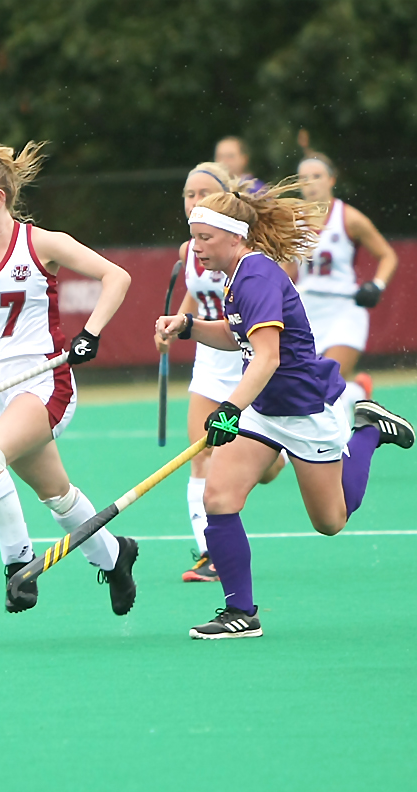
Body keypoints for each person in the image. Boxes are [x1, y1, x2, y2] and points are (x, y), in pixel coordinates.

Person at [156, 181, 414, 639]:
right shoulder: (236, 276)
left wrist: (229, 407)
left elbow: (268, 356)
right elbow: (239, 336)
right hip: (264, 408)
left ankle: (368, 431)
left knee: (331, 521)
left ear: (236, 237)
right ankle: (240, 612)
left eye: (205, 239)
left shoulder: (254, 277)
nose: (196, 248)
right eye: (193, 237)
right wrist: (190, 325)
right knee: (218, 497)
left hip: (301, 408)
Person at [0, 140, 137, 615]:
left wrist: (90, 334)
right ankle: (116, 557)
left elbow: (117, 277)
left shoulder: (41, 243)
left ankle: (19, 565)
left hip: (44, 382)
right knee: (57, 496)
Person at [154, 162, 286, 583]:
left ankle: (274, 457)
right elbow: (195, 297)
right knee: (201, 455)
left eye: (202, 194)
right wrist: (177, 323)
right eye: (188, 195)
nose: (193, 202)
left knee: (265, 472)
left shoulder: (253, 258)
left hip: (251, 360)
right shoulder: (189, 251)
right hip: (211, 360)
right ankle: (210, 553)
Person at [295, 151, 398, 420]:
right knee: (305, 385)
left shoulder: (349, 218)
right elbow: (286, 269)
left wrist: (377, 285)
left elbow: (388, 255)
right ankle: (357, 389)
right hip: (308, 311)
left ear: (331, 180)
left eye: (317, 176)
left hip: (344, 309)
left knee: (328, 383)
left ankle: (351, 394)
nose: (311, 183)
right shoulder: (294, 223)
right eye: (304, 178)